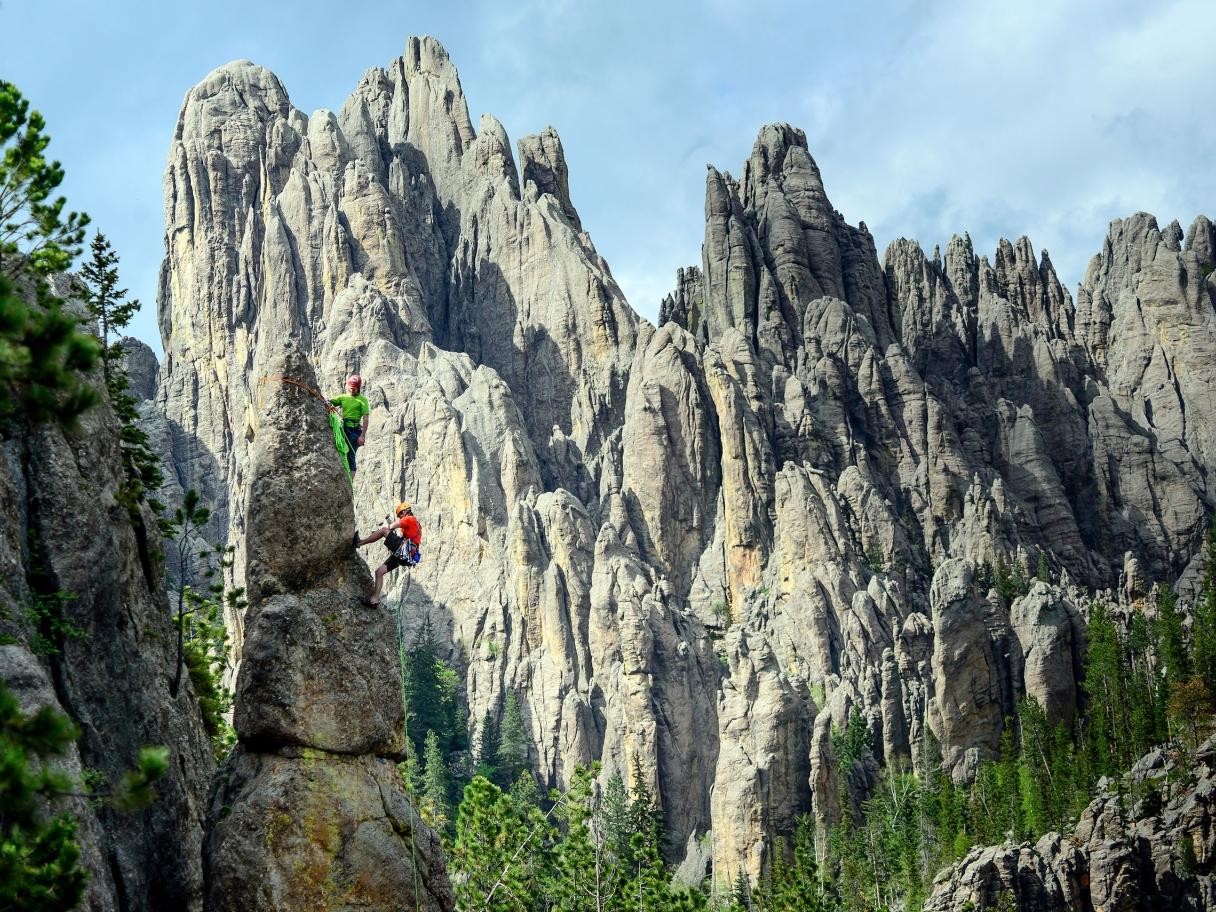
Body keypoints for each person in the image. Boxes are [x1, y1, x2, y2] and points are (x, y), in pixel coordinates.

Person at [354, 502, 422, 606]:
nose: (400, 518)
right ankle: (374, 600)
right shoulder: (415, 523)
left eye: (400, 515)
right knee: (379, 572)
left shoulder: (409, 519)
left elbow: (389, 528)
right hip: (407, 557)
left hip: (404, 551)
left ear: (403, 512)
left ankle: (359, 543)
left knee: (384, 530)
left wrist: (380, 530)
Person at [329, 374, 369, 477]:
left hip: (355, 430)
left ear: (358, 388)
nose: (352, 390)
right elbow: (329, 402)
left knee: (350, 454)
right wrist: (329, 405)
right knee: (339, 448)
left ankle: (351, 479)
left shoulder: (362, 400)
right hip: (344, 427)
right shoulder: (343, 397)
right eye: (350, 388)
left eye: (354, 389)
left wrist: (362, 435)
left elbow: (365, 418)